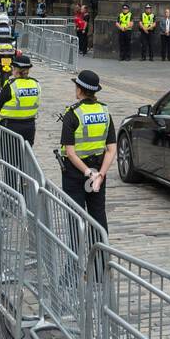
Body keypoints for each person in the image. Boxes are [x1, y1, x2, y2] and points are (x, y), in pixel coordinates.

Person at [58, 71, 116, 233]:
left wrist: (88, 173)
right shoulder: (105, 112)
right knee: (98, 216)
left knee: (75, 217)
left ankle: (76, 257)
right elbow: (112, 149)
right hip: (98, 171)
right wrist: (100, 175)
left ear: (79, 90)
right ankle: (101, 256)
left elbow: (70, 152)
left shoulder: (72, 114)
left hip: (76, 173)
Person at [0, 56, 39, 146]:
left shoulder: (11, 85)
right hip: (30, 126)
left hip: (10, 126)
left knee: (9, 157)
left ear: (15, 69)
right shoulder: (36, 84)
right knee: (26, 155)